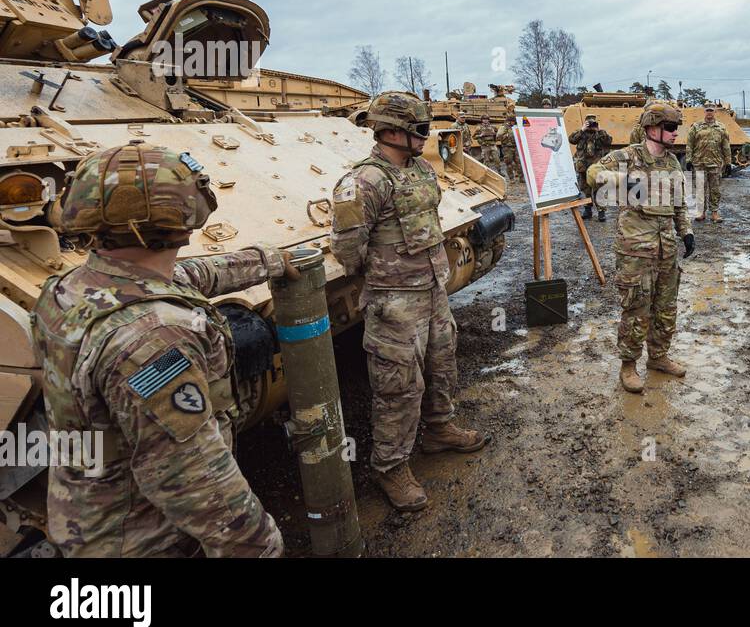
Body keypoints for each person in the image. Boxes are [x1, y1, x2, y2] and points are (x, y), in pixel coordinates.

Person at [35, 142, 289, 557]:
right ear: (180, 218)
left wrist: (269, 261)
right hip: (147, 539)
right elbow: (196, 479)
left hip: (89, 520)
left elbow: (192, 275)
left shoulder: (69, 290)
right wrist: (261, 546)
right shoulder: (151, 338)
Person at [331, 93, 489, 512]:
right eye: (420, 129)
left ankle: (438, 429)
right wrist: (388, 277)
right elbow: (348, 250)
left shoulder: (420, 169)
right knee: (397, 386)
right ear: (391, 131)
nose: (426, 136)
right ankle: (390, 466)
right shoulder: (364, 182)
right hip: (393, 302)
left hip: (433, 290)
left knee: (442, 363)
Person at [587, 102, 695, 393]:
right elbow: (593, 173)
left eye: (676, 128)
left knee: (665, 307)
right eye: (670, 128)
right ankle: (628, 365)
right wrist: (625, 182)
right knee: (636, 308)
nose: (675, 133)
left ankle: (658, 356)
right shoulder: (627, 156)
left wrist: (686, 231)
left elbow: (679, 203)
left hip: (666, 248)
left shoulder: (672, 163)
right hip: (635, 249)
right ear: (652, 128)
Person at [687, 103, 731, 223]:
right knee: (700, 189)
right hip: (699, 163)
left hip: (715, 164)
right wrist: (688, 160)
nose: (709, 112)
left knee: (715, 189)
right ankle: (701, 212)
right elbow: (690, 144)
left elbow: (726, 146)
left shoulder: (721, 128)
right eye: (707, 110)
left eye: (711, 110)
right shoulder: (696, 126)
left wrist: (728, 162)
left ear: (715, 112)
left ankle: (714, 212)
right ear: (704, 112)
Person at [570, 114, 614, 221]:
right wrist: (582, 130)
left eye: (593, 122)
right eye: (589, 123)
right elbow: (571, 139)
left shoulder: (600, 134)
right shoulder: (580, 133)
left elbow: (609, 141)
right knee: (585, 189)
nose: (591, 125)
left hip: (597, 168)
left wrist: (598, 130)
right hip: (583, 167)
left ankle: (601, 211)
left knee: (600, 189)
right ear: (585, 123)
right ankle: (587, 210)